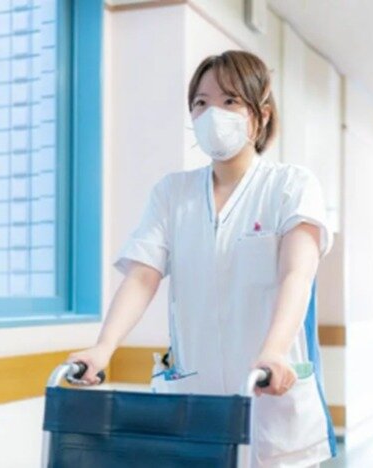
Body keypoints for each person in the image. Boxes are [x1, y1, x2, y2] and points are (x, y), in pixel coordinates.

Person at [67, 50, 336, 467]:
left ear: (261, 116)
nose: (213, 114)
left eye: (230, 101)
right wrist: (104, 347)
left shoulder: (290, 185)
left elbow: (296, 275)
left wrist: (275, 351)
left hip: (271, 394)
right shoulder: (172, 194)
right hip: (197, 404)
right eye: (201, 102)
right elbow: (142, 276)